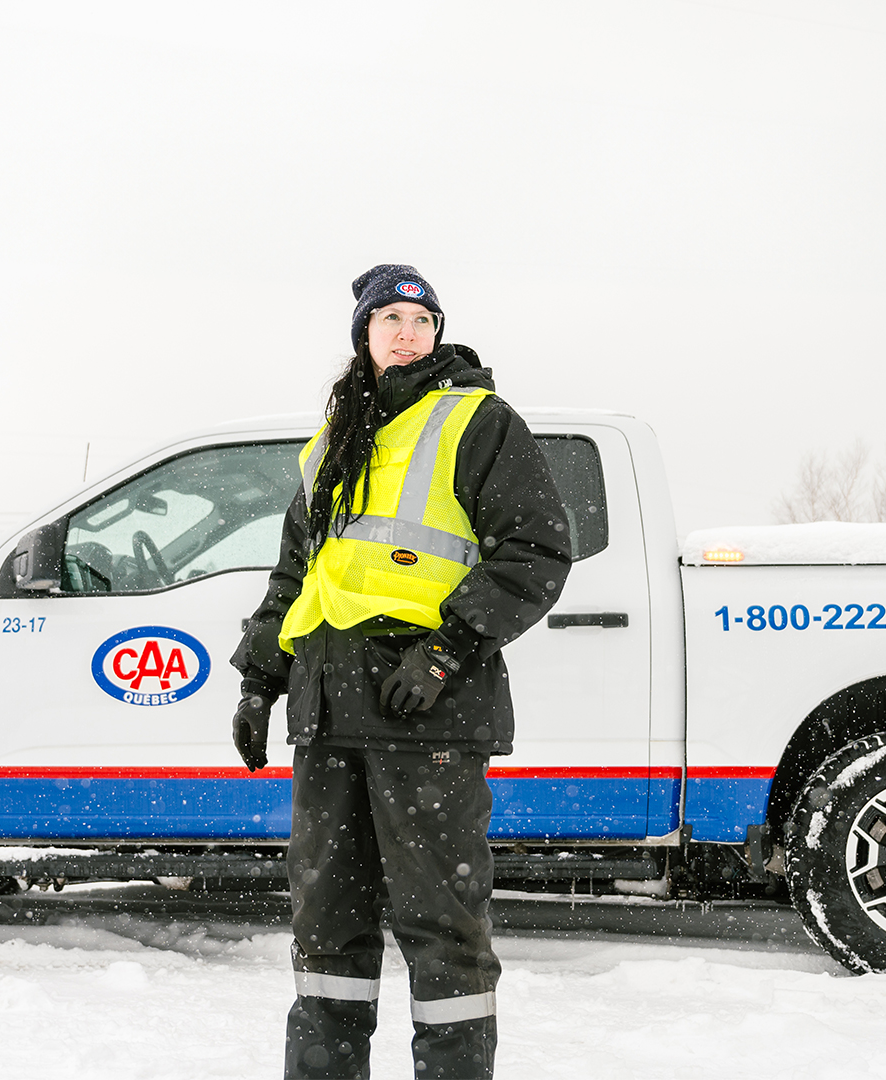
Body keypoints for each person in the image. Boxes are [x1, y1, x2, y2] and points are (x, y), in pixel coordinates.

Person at [231, 264, 572, 1079]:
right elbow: (297, 575)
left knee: (442, 926)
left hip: (426, 711)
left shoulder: (478, 422)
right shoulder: (333, 444)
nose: (406, 330)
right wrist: (259, 679)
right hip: (324, 710)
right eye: (388, 317)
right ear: (364, 334)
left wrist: (448, 649)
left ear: (438, 331)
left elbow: (535, 551)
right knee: (325, 929)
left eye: (421, 318)